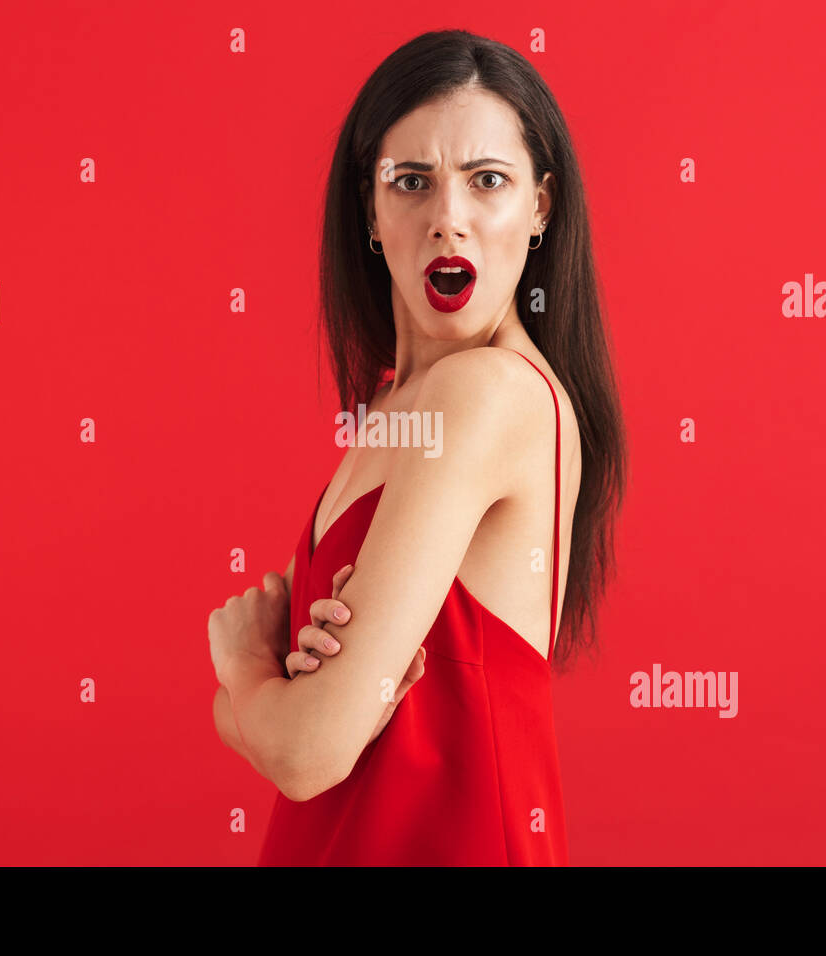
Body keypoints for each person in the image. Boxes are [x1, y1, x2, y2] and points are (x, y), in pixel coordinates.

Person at [207, 29, 627, 865]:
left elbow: (308, 748)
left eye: (487, 182)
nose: (448, 219)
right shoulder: (398, 406)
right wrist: (281, 706)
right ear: (369, 209)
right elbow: (311, 735)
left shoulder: (490, 394)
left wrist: (245, 677)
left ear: (541, 207)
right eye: (411, 182)